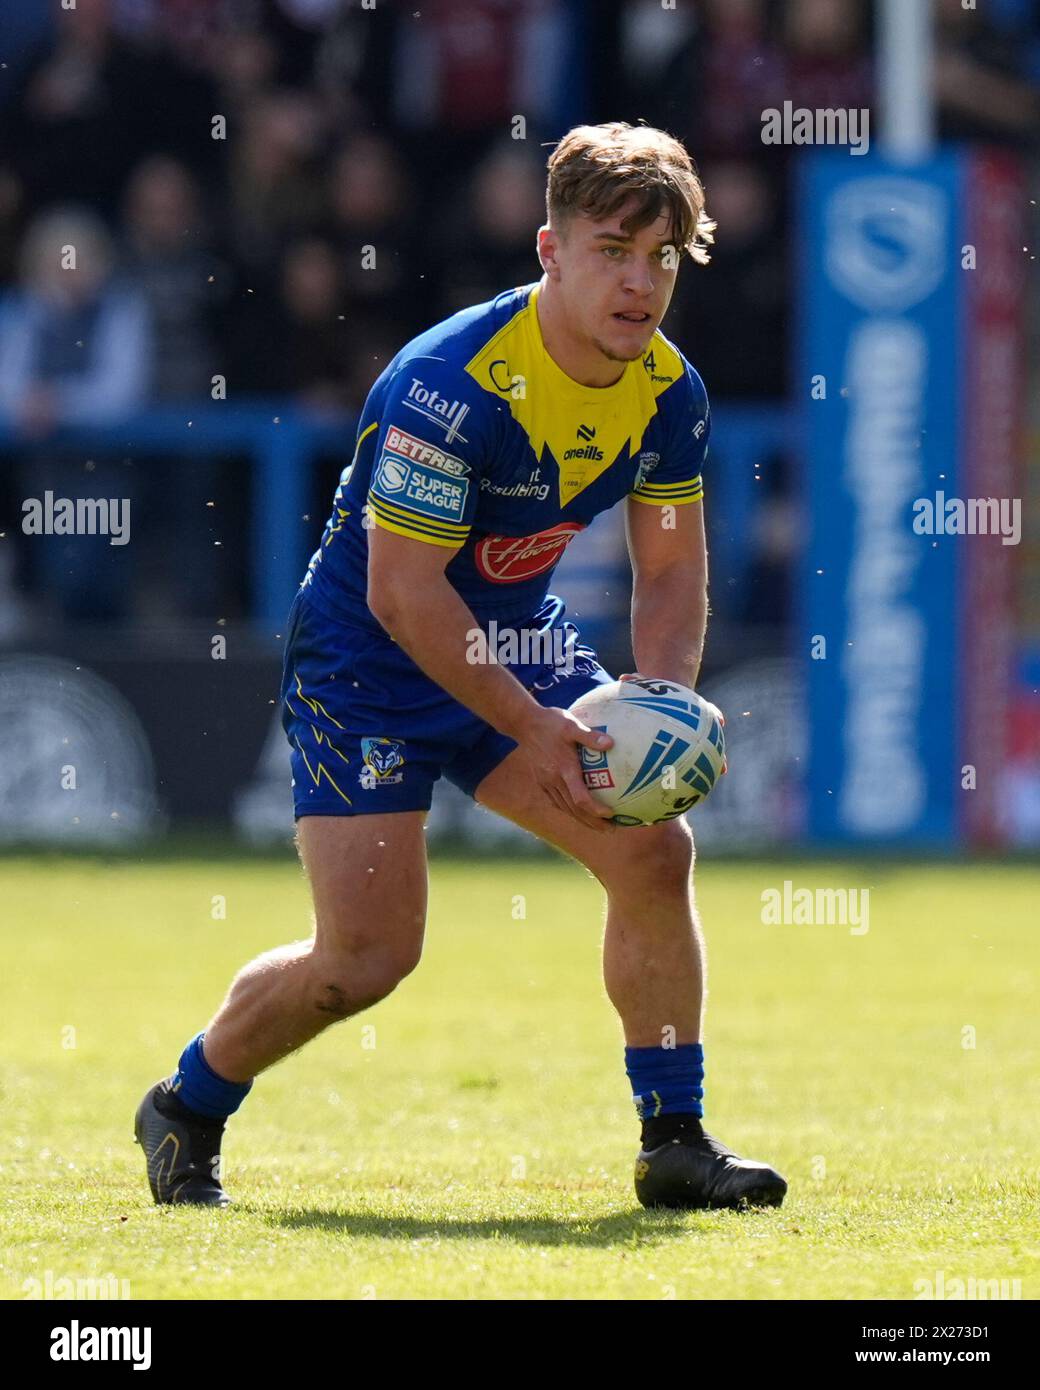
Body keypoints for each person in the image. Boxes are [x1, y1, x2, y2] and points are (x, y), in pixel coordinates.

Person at [135, 121, 787, 1212]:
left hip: (514, 644)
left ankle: (673, 1139)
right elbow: (403, 594)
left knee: (650, 851)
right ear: (548, 250)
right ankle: (187, 1103)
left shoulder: (668, 391)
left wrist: (659, 698)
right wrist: (533, 726)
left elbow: (669, 572)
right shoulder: (452, 382)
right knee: (366, 960)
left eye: (660, 259)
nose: (639, 284)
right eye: (612, 253)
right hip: (366, 663)